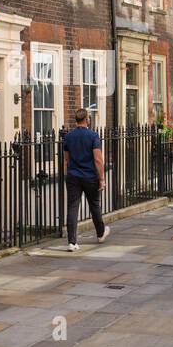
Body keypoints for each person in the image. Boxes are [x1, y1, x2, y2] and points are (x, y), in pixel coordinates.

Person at [61, 108, 107, 251]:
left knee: (72, 207)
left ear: (76, 120)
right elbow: (98, 159)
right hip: (90, 176)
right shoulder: (93, 135)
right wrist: (102, 179)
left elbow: (66, 159)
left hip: (73, 176)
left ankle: (72, 242)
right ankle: (100, 234)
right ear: (87, 119)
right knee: (94, 205)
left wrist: (67, 175)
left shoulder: (68, 136)